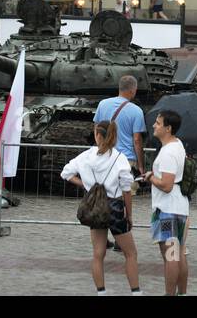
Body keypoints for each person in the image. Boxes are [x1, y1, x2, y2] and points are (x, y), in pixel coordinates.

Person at [60, 120, 140, 295]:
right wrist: (130, 214)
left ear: (97, 134)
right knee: (130, 253)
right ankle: (135, 292)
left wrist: (86, 186)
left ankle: (101, 292)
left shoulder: (86, 156)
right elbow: (127, 189)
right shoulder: (120, 158)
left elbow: (66, 173)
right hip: (115, 206)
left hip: (96, 207)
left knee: (98, 254)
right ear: (114, 136)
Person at [144, 109, 189, 296]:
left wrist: (150, 177)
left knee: (170, 256)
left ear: (168, 128)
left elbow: (167, 185)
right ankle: (182, 293)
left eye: (158, 123)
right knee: (179, 254)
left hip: (168, 208)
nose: (154, 125)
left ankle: (170, 294)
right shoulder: (177, 145)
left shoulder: (168, 152)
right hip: (179, 206)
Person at [93, 75, 147, 229]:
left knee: (103, 195)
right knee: (124, 196)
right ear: (133, 90)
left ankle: (101, 231)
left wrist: (100, 148)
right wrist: (141, 165)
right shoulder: (136, 111)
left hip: (104, 156)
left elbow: (97, 128)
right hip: (126, 159)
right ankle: (121, 234)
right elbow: (137, 140)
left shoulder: (103, 104)